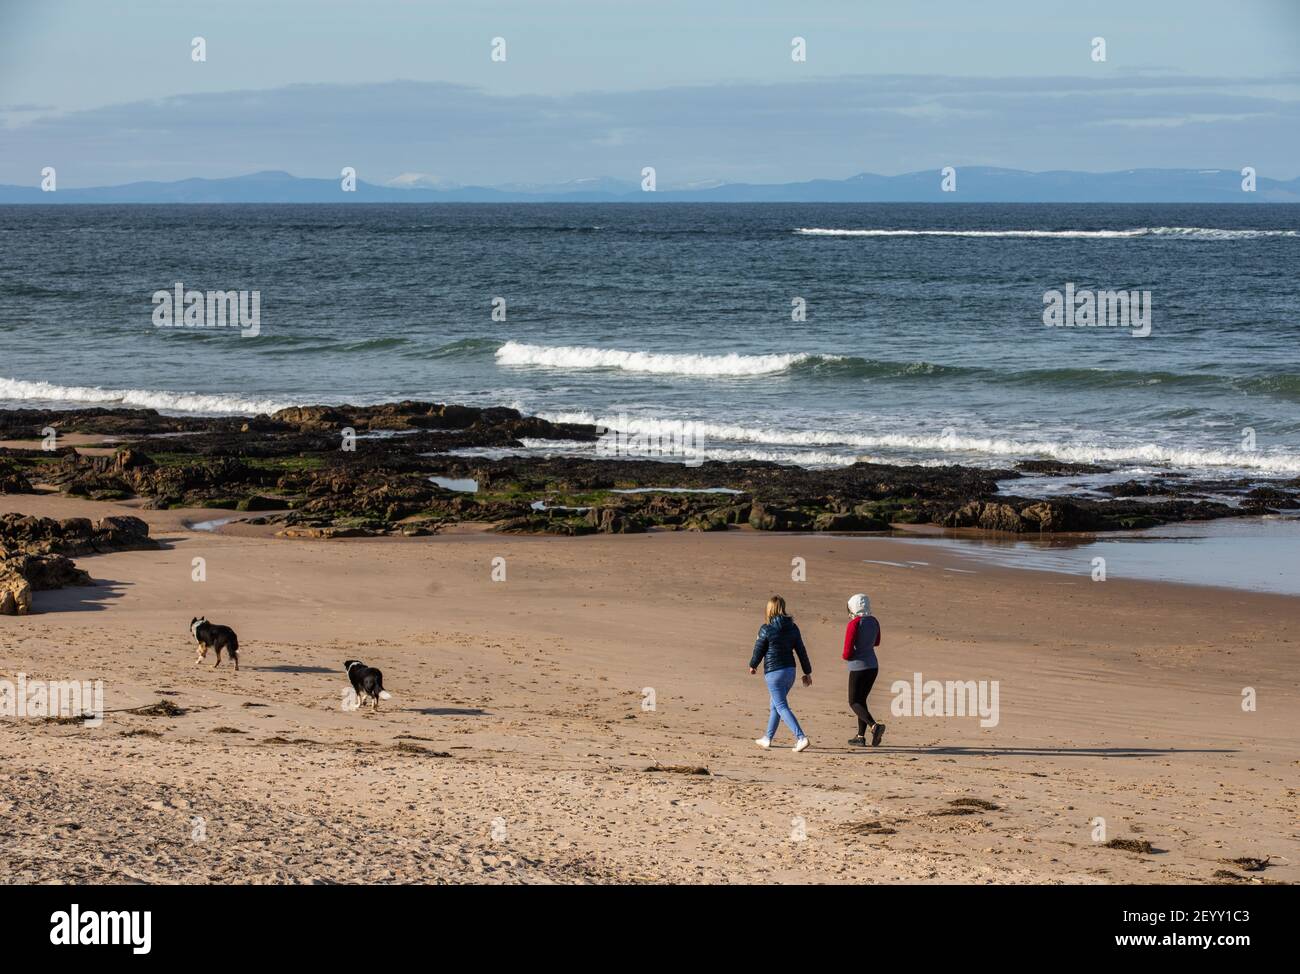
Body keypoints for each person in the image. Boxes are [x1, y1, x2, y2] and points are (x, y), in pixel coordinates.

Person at [748, 594, 812, 752]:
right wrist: (807, 672)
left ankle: (801, 737)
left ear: (770, 609)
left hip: (774, 673)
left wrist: (753, 665)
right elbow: (801, 650)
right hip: (790, 671)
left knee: (781, 705)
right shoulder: (793, 627)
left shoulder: (766, 628)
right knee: (775, 705)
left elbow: (759, 649)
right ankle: (767, 738)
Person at [843, 593, 886, 747]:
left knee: (854, 701)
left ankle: (874, 726)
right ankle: (860, 736)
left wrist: (848, 656)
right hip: (873, 666)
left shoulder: (854, 623)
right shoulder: (874, 621)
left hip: (858, 667)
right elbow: (877, 642)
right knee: (861, 701)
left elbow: (847, 652)